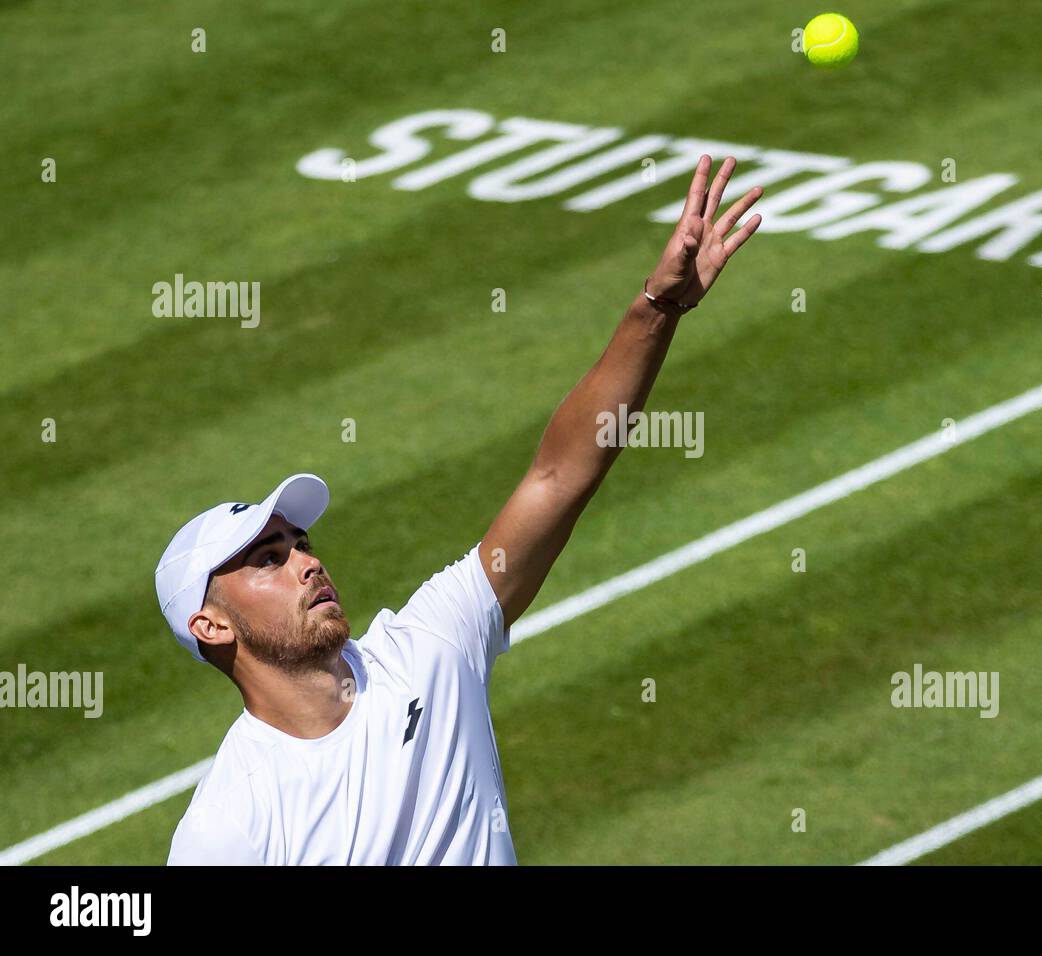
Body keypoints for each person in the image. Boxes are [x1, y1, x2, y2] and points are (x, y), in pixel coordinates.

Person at [156, 155, 763, 864]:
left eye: (300, 542)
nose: (308, 563)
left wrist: (656, 309)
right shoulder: (229, 825)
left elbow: (560, 477)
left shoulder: (430, 649)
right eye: (269, 559)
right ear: (211, 624)